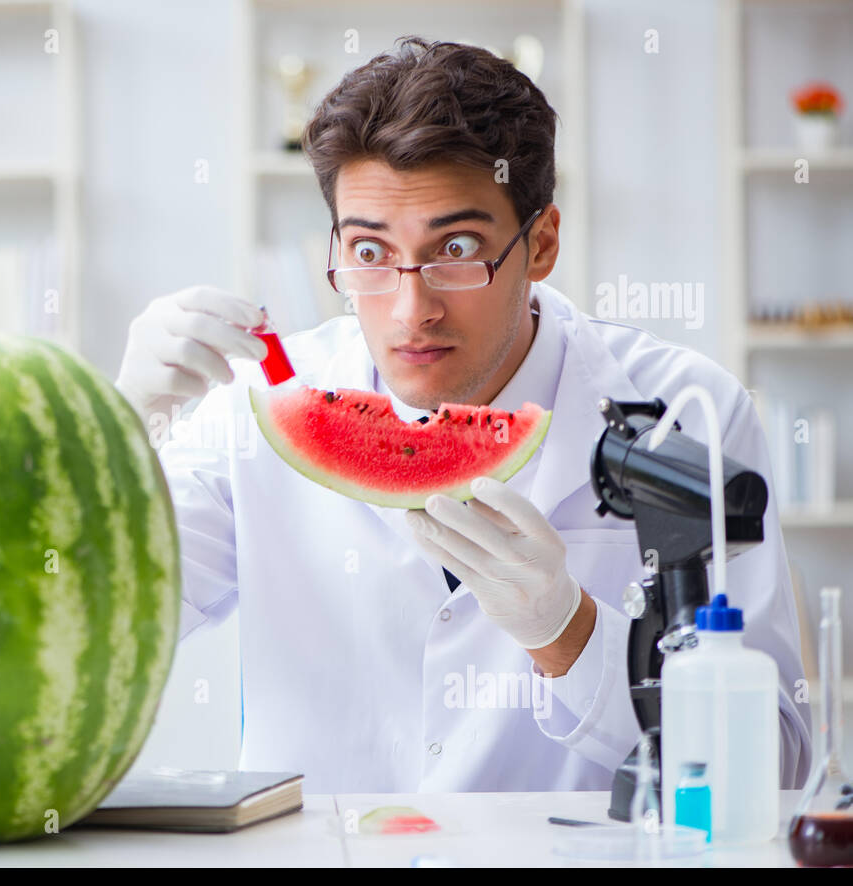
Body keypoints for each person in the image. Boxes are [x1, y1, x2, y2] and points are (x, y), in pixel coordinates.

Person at [113, 36, 811, 795]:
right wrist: (111, 429)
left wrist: (569, 633)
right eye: (372, 254)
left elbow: (773, 765)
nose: (413, 310)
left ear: (539, 243)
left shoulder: (689, 416)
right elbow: (97, 635)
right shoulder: (252, 414)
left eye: (456, 246)